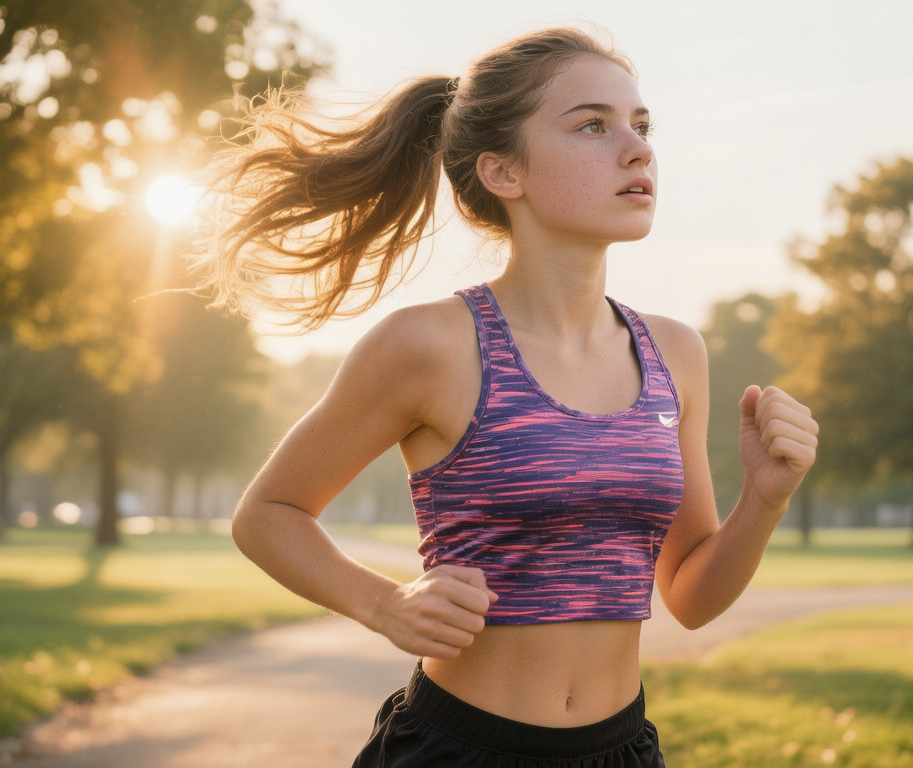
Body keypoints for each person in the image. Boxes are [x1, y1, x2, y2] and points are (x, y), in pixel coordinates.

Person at [193, 26, 819, 767]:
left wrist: (767, 500)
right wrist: (384, 604)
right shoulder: (430, 345)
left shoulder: (675, 353)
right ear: (503, 172)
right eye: (593, 125)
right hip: (459, 748)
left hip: (622, 749)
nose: (638, 147)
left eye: (641, 126)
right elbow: (268, 515)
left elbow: (688, 595)